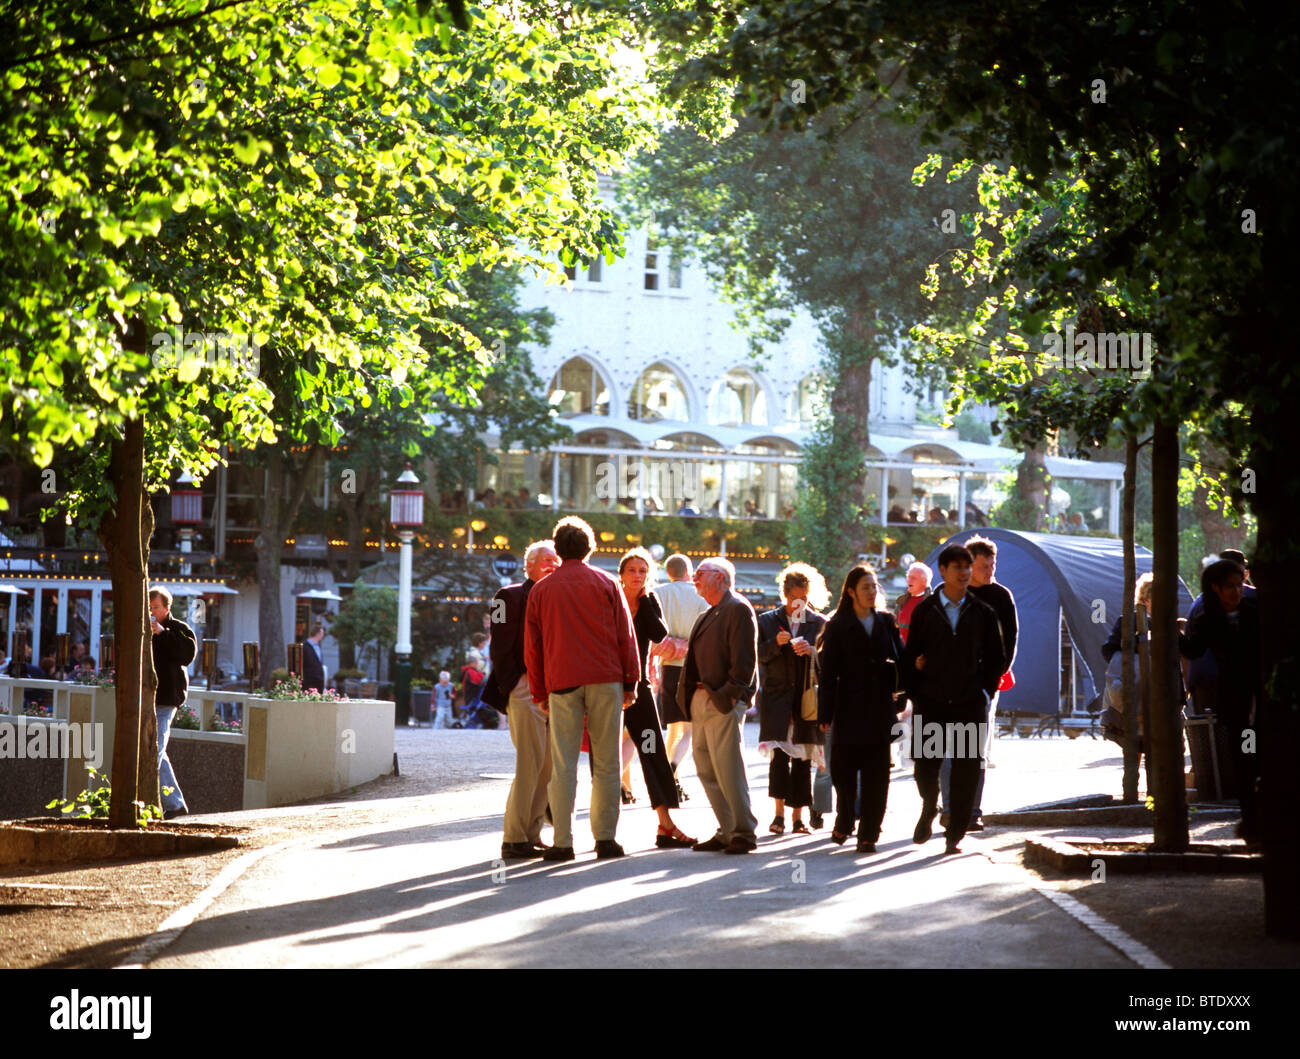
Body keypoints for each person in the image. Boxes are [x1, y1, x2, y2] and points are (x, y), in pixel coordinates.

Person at [525, 516, 640, 862]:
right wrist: (631, 682)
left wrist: (539, 692)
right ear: (590, 548)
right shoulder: (607, 583)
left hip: (562, 681)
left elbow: (534, 647)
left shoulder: (542, 590)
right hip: (605, 678)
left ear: (558, 551)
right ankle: (605, 839)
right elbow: (626, 635)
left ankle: (562, 841)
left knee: (563, 764)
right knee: (606, 762)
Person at [901, 544, 1004, 855]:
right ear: (943, 571)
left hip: (968, 703)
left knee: (965, 769)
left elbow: (996, 658)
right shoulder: (925, 610)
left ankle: (954, 835)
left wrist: (983, 691)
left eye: (967, 567)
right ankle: (930, 805)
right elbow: (910, 655)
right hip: (931, 702)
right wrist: (915, 689)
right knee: (925, 767)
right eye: (957, 567)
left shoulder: (983, 612)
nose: (964, 572)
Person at [817, 565, 906, 851]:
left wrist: (901, 696)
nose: (871, 591)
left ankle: (869, 832)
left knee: (877, 773)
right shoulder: (838, 624)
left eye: (874, 586)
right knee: (843, 771)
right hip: (847, 707)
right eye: (865, 587)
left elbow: (900, 660)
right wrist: (825, 713)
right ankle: (845, 819)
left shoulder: (885, 621)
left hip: (880, 707)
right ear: (851, 591)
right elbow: (828, 673)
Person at [482, 539, 560, 860]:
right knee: (530, 762)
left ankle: (532, 832)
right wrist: (514, 684)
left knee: (548, 767)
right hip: (525, 687)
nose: (553, 566)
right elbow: (498, 646)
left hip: (556, 690)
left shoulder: (559, 597)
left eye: (556, 561)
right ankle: (513, 838)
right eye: (546, 561)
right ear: (528, 565)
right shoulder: (507, 596)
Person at [676, 557, 759, 854]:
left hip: (721, 700)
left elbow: (745, 661)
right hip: (703, 699)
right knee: (707, 769)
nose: (695, 578)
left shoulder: (736, 608)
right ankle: (727, 829)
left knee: (727, 768)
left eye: (700, 574)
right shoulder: (710, 612)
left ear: (721, 578)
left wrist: (730, 695)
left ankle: (743, 832)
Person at [616, 547, 696, 849]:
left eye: (643, 571)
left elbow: (659, 633)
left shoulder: (651, 600)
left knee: (653, 750)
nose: (638, 575)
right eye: (632, 570)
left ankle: (666, 825)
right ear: (622, 573)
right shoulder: (611, 598)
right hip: (609, 686)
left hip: (640, 687)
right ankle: (605, 831)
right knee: (605, 753)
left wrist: (647, 601)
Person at [1181, 559, 1261, 844]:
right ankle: (1251, 821)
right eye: (1230, 586)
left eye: (1240, 585)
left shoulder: (1256, 613)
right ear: (1215, 588)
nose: (1237, 591)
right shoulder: (1207, 621)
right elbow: (1192, 650)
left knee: (1262, 758)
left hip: (1261, 697)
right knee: (1244, 760)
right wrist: (1173, 632)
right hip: (1235, 701)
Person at [941, 535, 1018, 832]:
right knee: (948, 747)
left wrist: (991, 682)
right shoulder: (950, 595)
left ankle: (972, 810)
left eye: (992, 564)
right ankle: (948, 808)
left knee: (975, 748)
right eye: (984, 565)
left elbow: (1009, 642)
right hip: (948, 685)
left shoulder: (1001, 596)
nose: (989, 570)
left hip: (985, 685)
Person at [757, 563, 829, 835]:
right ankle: (778, 816)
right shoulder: (767, 621)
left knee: (802, 759)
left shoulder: (818, 623)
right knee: (778, 758)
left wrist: (811, 650)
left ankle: (798, 817)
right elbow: (758, 657)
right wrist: (775, 644)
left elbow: (827, 663)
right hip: (777, 699)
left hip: (806, 698)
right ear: (784, 595)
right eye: (794, 598)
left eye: (804, 598)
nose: (799, 603)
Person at [652, 553, 709, 801]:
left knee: (671, 728)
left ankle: (671, 779)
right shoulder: (700, 594)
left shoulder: (658, 593)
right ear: (689, 570)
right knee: (688, 732)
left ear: (669, 571)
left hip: (668, 668)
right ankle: (672, 769)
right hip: (693, 668)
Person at [150, 586, 198, 820]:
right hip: (146, 697)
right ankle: (175, 803)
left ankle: (145, 797)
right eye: (149, 607)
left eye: (156, 608)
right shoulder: (142, 630)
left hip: (167, 697)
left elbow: (186, 656)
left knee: (154, 751)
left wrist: (162, 633)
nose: (151, 612)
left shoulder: (180, 629)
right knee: (159, 752)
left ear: (166, 608)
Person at [301, 622, 327, 693]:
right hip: (309, 681)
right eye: (322, 633)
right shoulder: (305, 646)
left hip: (318, 681)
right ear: (317, 633)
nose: (323, 635)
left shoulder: (318, 647)